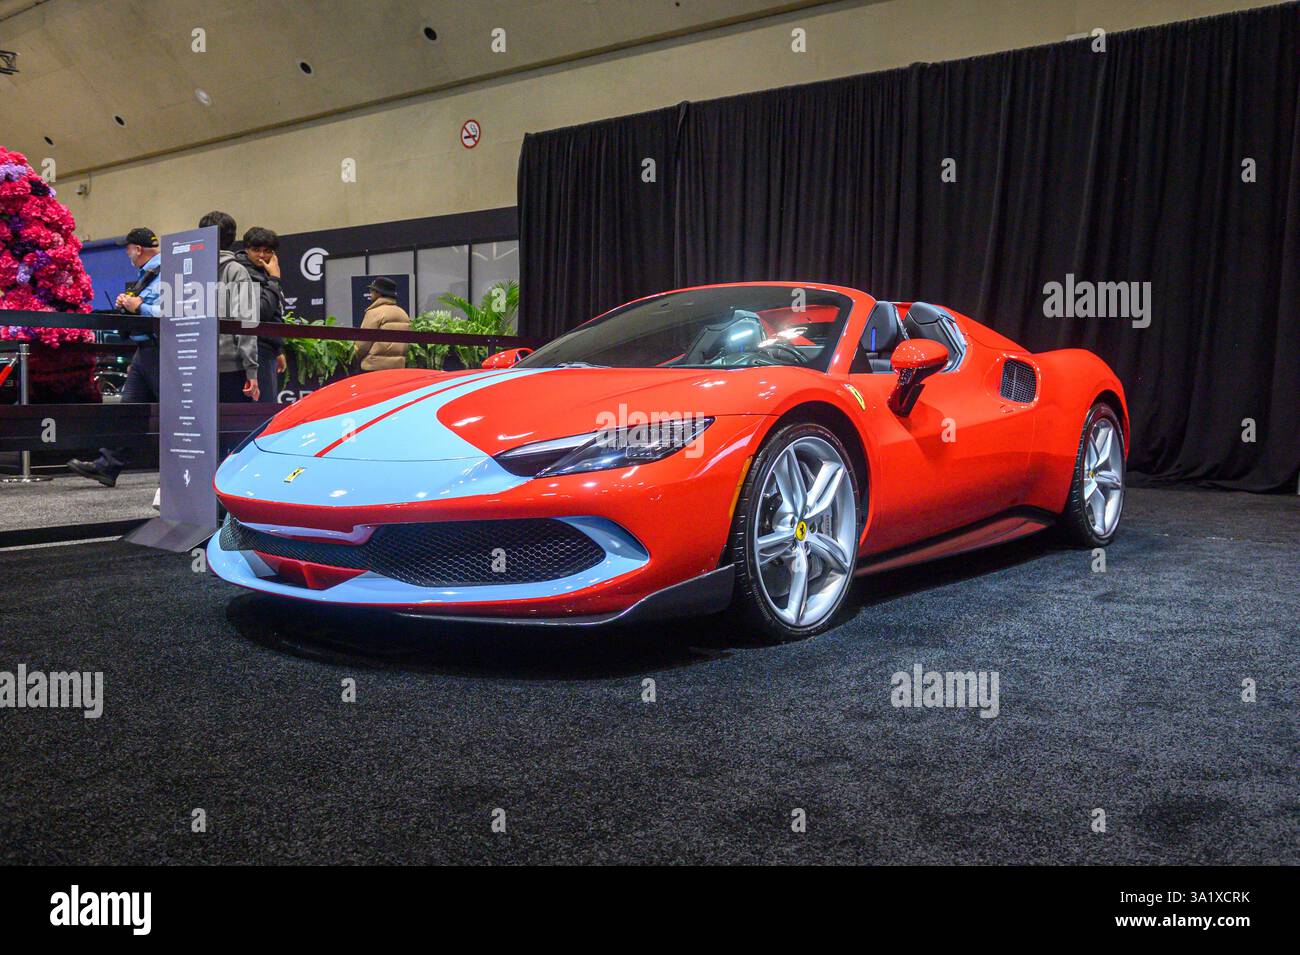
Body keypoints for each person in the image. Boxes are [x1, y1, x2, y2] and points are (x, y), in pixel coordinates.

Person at [66, 227, 163, 486]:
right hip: (145, 353)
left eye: (128, 249)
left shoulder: (167, 273)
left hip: (164, 353)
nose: (127, 254)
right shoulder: (148, 275)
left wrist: (139, 305)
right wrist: (129, 304)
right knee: (128, 408)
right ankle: (107, 466)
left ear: (137, 249)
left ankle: (194, 470)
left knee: (176, 412)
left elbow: (172, 311)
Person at [198, 211, 261, 402]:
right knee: (232, 427)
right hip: (230, 368)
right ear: (233, 238)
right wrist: (252, 371)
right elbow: (245, 323)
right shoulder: (236, 270)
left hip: (193, 366)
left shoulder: (190, 269)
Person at [236, 226, 287, 403]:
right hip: (254, 348)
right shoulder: (242, 272)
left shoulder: (264, 271)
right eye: (256, 250)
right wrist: (274, 279)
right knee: (262, 409)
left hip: (266, 348)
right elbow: (262, 311)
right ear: (247, 249)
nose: (261, 256)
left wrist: (278, 349)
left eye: (267, 251)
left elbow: (274, 313)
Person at [354, 276, 411, 371]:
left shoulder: (374, 312)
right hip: (398, 368)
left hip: (374, 368)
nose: (370, 293)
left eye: (372, 290)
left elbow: (362, 346)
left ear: (379, 293)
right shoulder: (403, 313)